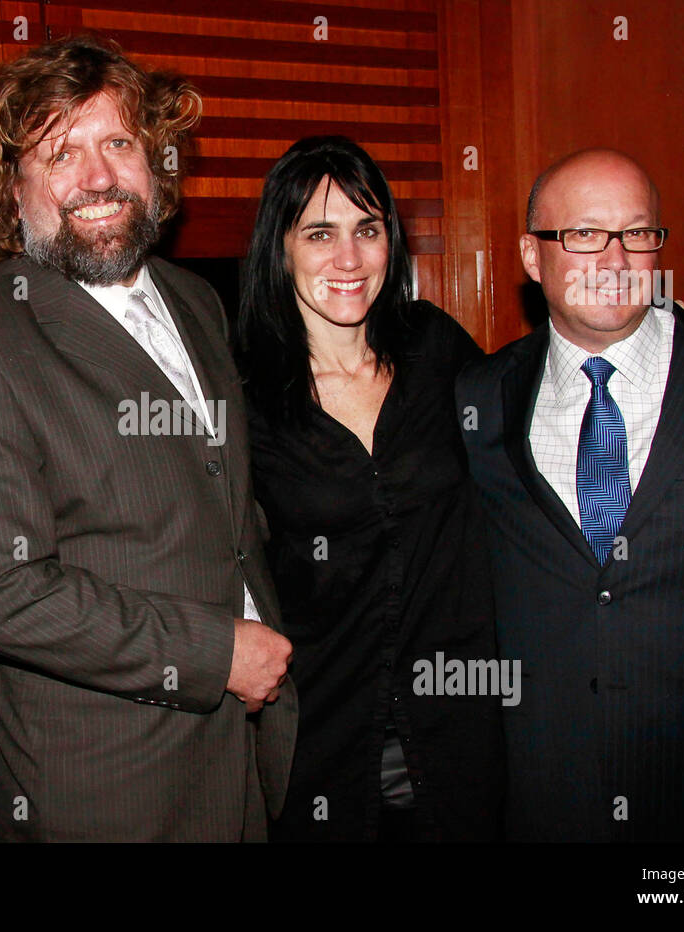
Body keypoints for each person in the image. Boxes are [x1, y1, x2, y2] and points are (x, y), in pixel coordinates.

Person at [0, 35, 297, 841]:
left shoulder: (197, 301)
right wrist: (218, 654)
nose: (97, 177)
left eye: (118, 143)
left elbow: (222, 512)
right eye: (60, 153)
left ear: (154, 164)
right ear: (11, 188)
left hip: (245, 759)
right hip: (108, 793)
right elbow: (0, 595)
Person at [455, 148, 684, 841]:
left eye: (638, 233)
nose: (616, 260)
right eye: (586, 234)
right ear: (533, 258)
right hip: (548, 798)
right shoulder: (477, 397)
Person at [237, 137, 504, 842]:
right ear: (281, 248)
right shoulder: (242, 397)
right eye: (319, 234)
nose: (349, 259)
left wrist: (677, 333)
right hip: (322, 744)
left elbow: (553, 390)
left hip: (461, 733)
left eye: (367, 229)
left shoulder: (436, 348)